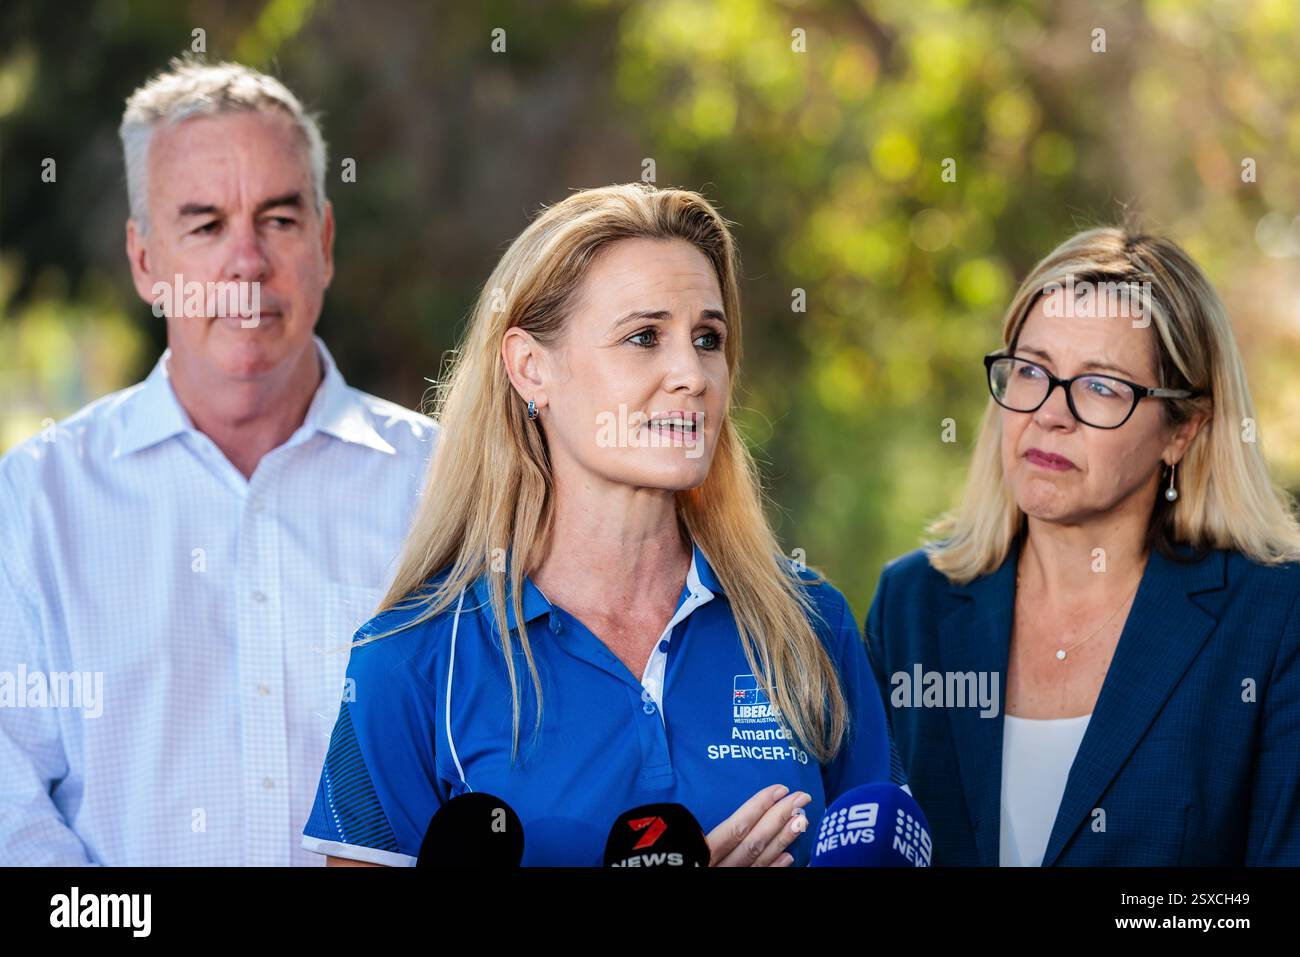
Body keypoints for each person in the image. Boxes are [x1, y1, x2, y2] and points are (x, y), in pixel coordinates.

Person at [301, 183, 905, 867]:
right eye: (644, 337)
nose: (691, 374)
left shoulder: (810, 624)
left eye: (708, 338)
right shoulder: (408, 658)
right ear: (531, 368)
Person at [0, 59, 437, 865]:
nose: (246, 262)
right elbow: (10, 807)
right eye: (204, 225)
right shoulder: (34, 503)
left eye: (278, 219)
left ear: (325, 242)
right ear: (145, 264)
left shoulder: (444, 486)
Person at [865, 227, 1300, 866]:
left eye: (1100, 385)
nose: (1049, 413)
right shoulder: (914, 605)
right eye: (1032, 371)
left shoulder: (1273, 617)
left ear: (1182, 431)